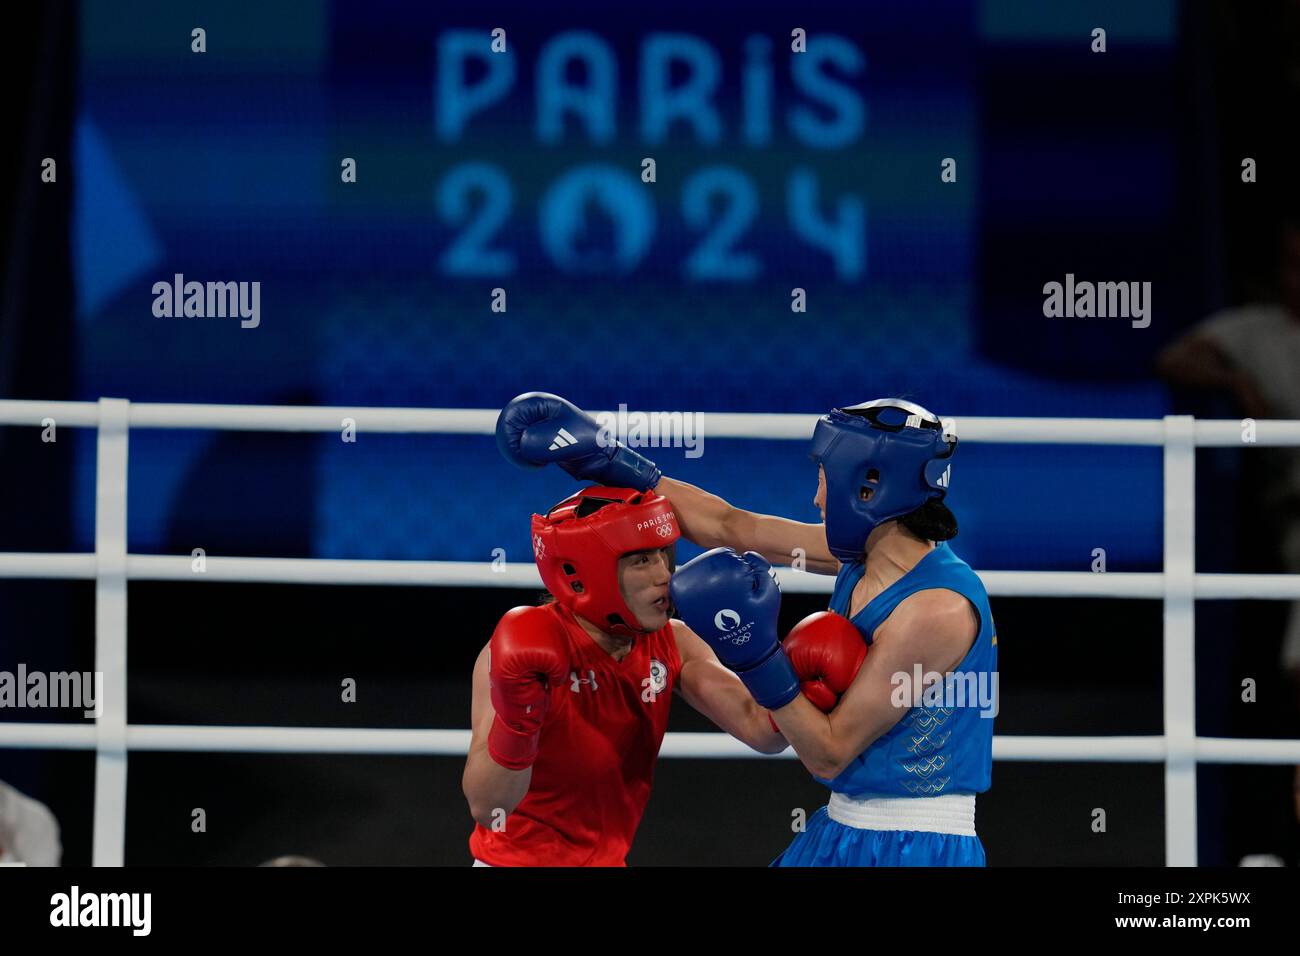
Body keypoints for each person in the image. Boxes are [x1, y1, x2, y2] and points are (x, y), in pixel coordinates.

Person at [496, 393, 997, 866]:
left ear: (867, 487)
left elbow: (827, 752)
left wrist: (758, 657)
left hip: (917, 845)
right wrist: (612, 460)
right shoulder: (864, 556)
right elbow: (732, 526)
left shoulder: (935, 610)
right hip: (844, 822)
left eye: (826, 477)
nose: (818, 496)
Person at [462, 485, 787, 866]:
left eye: (665, 555)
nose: (664, 576)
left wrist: (762, 655)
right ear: (583, 574)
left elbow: (764, 731)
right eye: (641, 561)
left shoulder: (675, 642)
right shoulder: (515, 652)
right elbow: (488, 807)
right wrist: (520, 723)